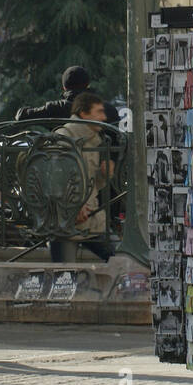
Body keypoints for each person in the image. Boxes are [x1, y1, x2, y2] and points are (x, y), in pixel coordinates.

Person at [50, 91, 116, 262]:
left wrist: (103, 174)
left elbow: (92, 184)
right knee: (63, 279)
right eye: (99, 112)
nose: (104, 117)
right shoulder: (65, 136)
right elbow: (55, 179)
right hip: (69, 219)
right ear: (83, 113)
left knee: (120, 259)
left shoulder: (92, 139)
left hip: (89, 218)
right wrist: (74, 205)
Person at [15, 65, 117, 125]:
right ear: (87, 85)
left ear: (64, 88)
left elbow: (21, 116)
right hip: (98, 161)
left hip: (64, 160)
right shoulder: (107, 110)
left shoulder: (55, 108)